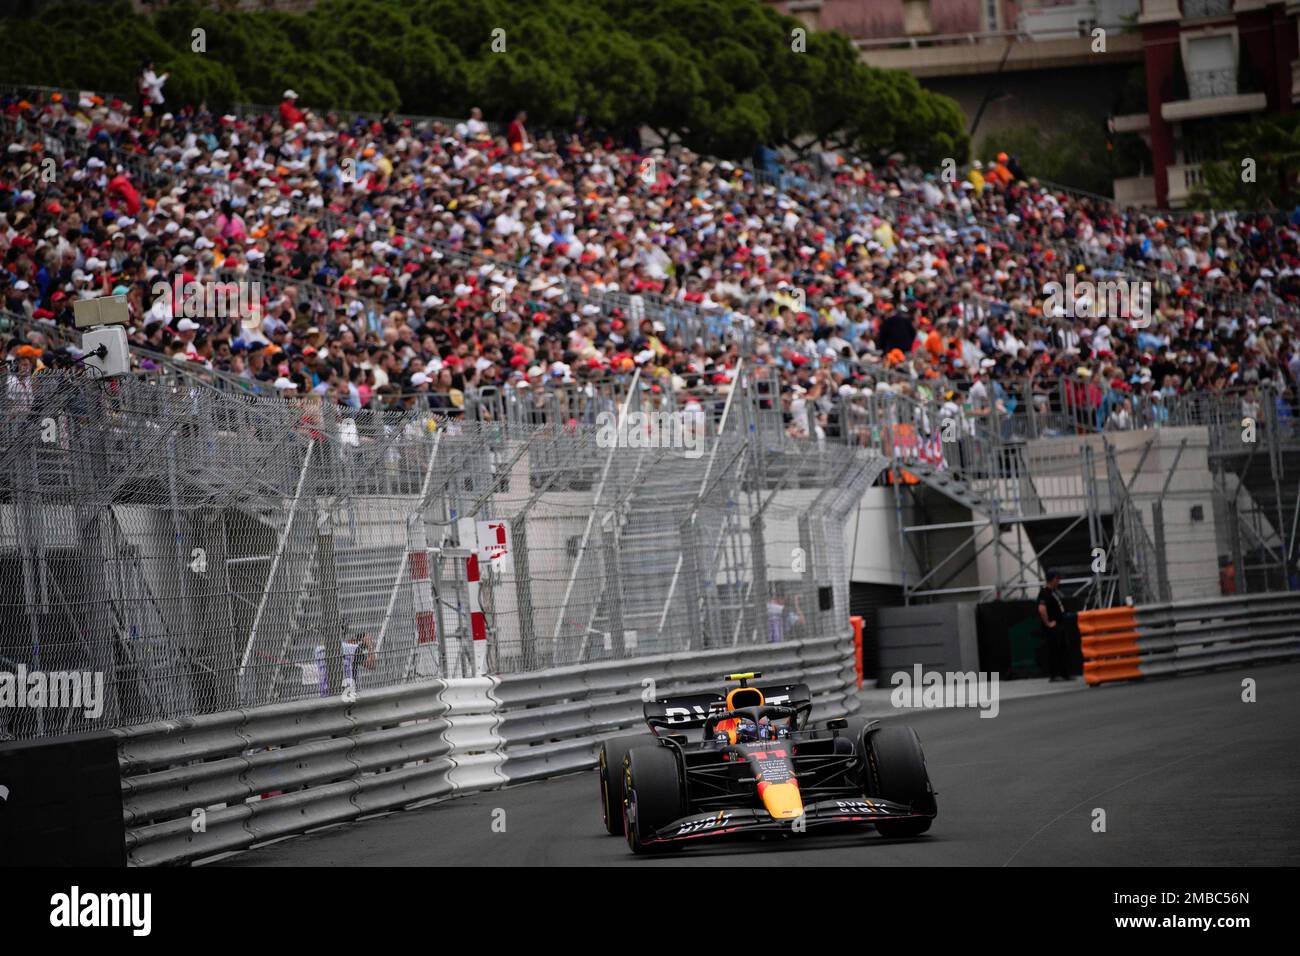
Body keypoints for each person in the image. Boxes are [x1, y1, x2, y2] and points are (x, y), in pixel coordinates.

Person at [1037, 569, 1072, 681]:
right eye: (1057, 579)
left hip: (1059, 625)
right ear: (1052, 580)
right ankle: (1054, 675)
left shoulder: (1053, 592)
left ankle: (1064, 673)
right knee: (1054, 650)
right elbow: (1042, 609)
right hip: (1053, 627)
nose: (1059, 581)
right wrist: (1048, 623)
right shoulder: (1044, 593)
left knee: (1062, 649)